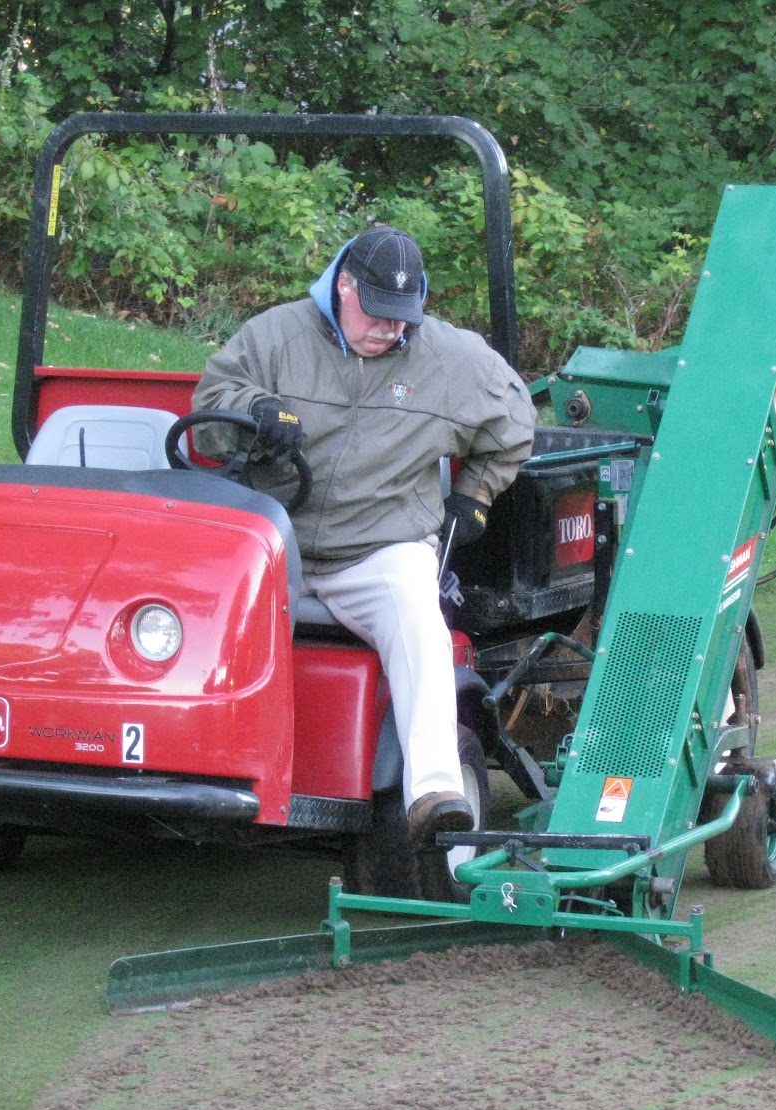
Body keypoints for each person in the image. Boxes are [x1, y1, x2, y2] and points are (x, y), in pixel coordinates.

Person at [192, 225, 535, 848]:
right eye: (376, 312)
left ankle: (435, 794)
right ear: (343, 285)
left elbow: (515, 423)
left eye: (404, 316)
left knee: (419, 621)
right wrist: (255, 415)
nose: (389, 329)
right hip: (273, 541)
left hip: (378, 548)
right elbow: (209, 409)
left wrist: (474, 494)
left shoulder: (452, 359)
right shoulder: (275, 336)